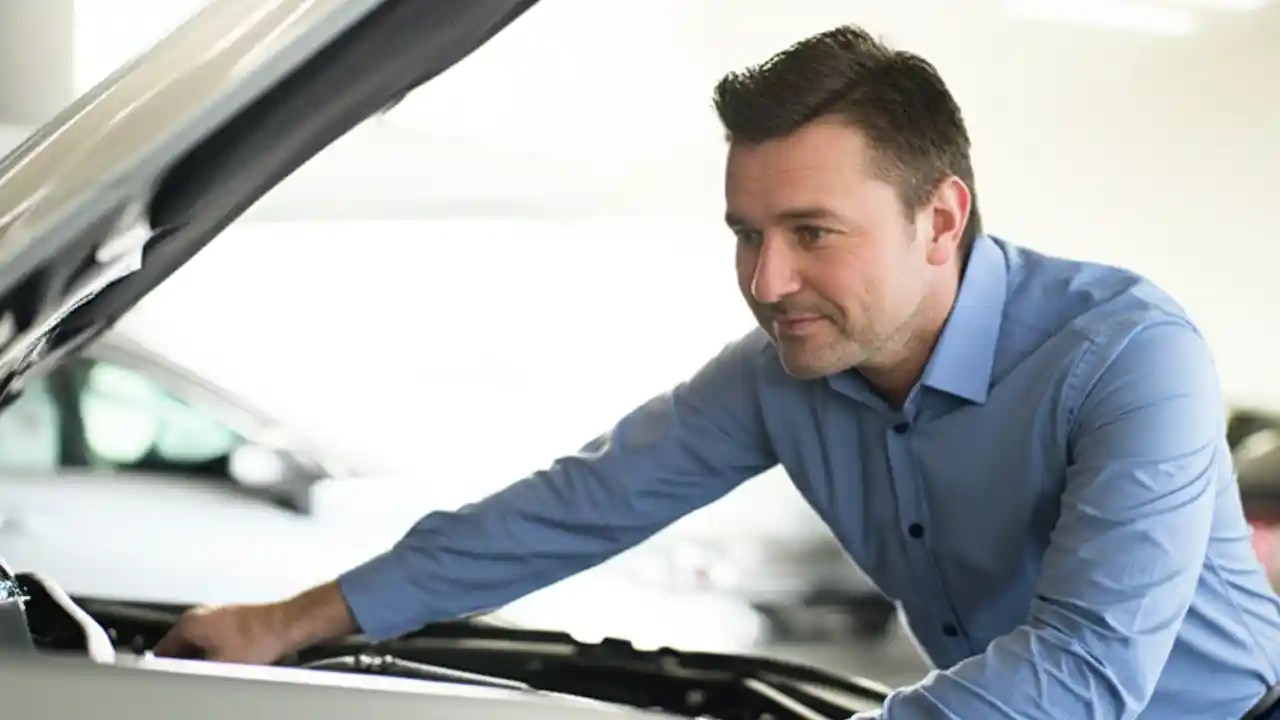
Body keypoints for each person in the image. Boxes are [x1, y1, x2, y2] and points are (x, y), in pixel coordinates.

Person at [154, 24, 1280, 719]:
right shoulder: (779, 372)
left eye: (810, 232)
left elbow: (1087, 669)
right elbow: (574, 506)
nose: (764, 277)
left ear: (939, 218)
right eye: (743, 232)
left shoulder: (1129, 353)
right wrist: (284, 623)